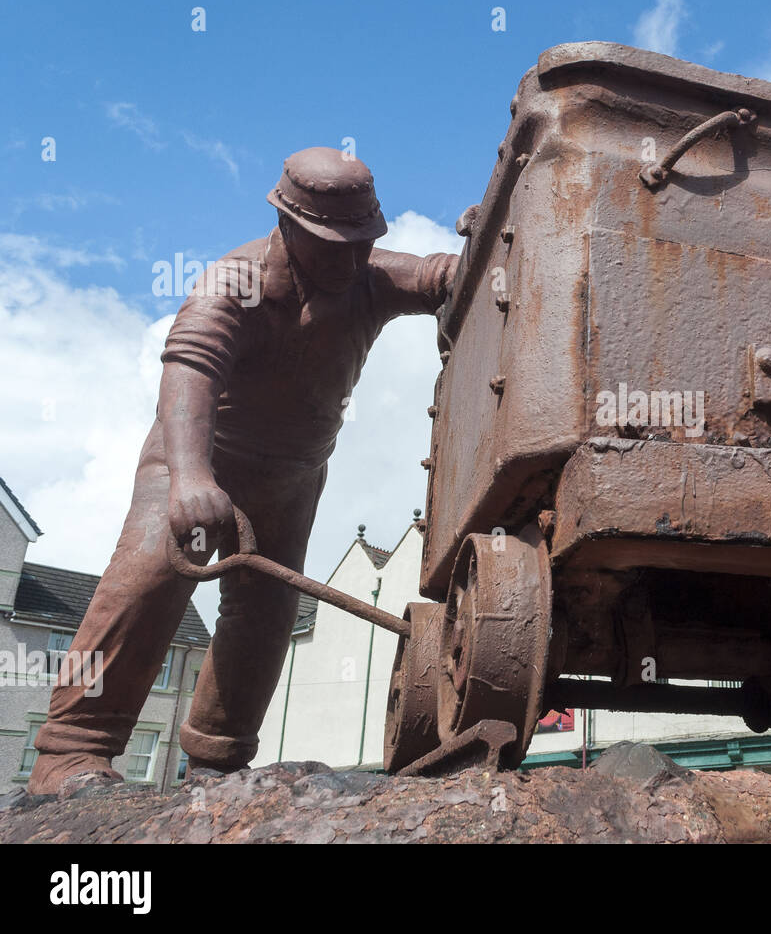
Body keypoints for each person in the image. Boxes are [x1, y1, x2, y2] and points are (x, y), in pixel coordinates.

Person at [28, 147, 457, 793]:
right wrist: (191, 477)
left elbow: (439, 276)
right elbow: (189, 371)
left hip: (294, 479)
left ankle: (218, 757)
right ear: (288, 225)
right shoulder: (235, 282)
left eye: (359, 242)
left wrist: (485, 254)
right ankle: (71, 748)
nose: (347, 257)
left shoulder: (370, 277)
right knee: (145, 583)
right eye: (330, 243)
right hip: (201, 461)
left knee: (265, 613)